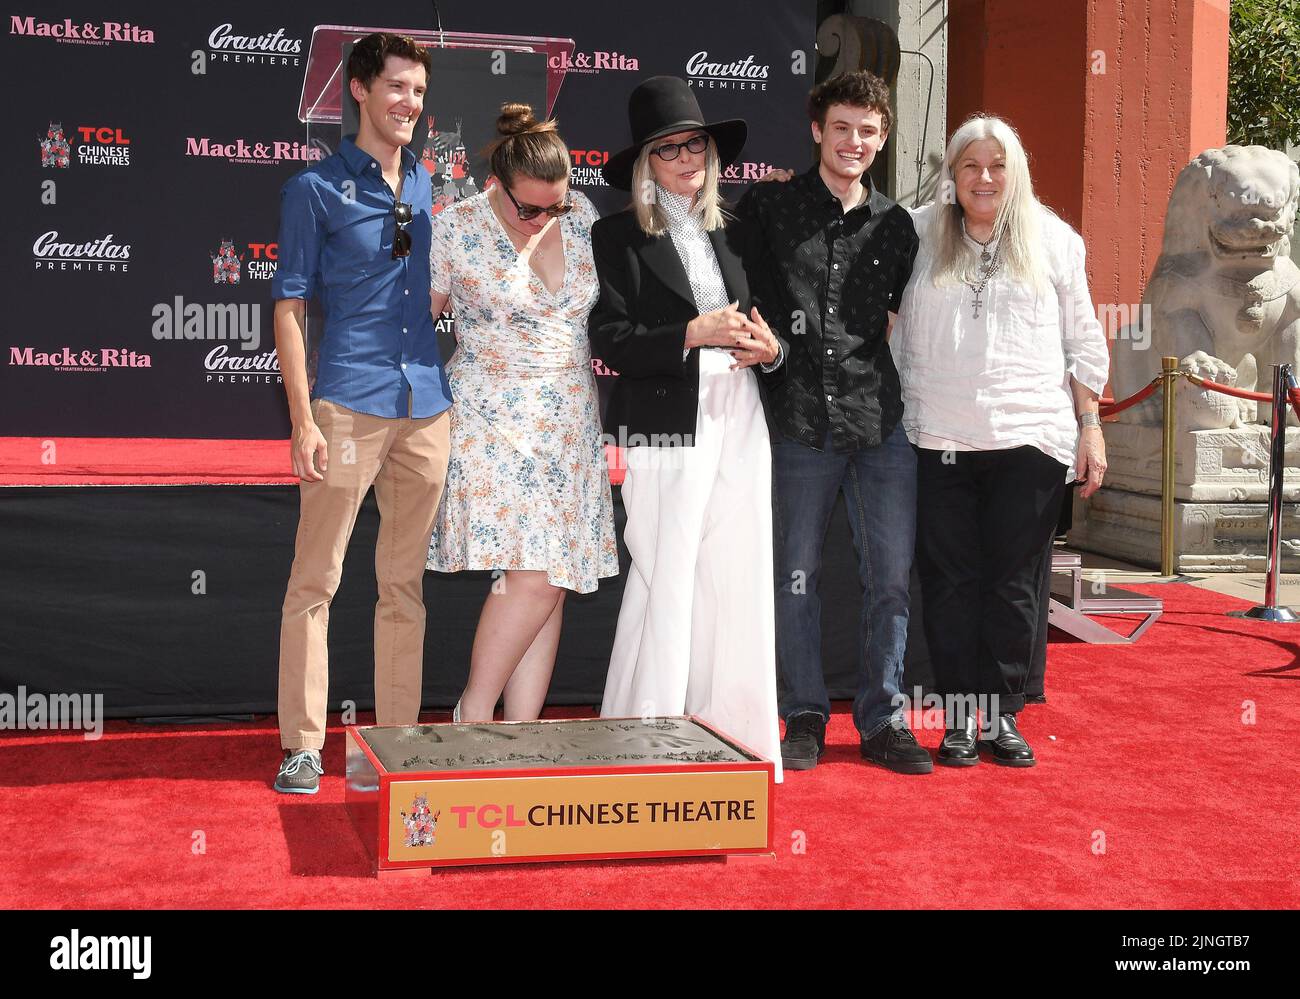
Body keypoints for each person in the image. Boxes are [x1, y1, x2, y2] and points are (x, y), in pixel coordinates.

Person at [891, 114, 1109, 767]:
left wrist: (1090, 425)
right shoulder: (919, 232)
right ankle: (959, 718)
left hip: (1029, 437)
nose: (984, 178)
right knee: (951, 581)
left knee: (1015, 584)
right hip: (938, 434)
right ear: (952, 175)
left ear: (1015, 172)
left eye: (996, 165)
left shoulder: (1055, 241)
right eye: (969, 166)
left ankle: (1001, 716)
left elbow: (1083, 337)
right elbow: (885, 324)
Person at [589, 76, 785, 779]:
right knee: (665, 569)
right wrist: (691, 332)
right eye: (667, 148)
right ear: (645, 162)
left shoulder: (734, 231)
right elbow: (610, 338)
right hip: (662, 421)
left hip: (739, 412)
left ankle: (731, 730)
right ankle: (648, 735)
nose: (684, 159)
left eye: (693, 144)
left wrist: (772, 349)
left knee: (735, 572)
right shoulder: (614, 236)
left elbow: (770, 320)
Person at [271, 34, 451, 794]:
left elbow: (434, 291)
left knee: (402, 585)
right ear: (359, 92)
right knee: (318, 579)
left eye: (417, 90)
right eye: (397, 88)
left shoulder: (428, 187)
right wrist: (303, 420)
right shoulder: (313, 189)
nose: (409, 102)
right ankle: (304, 744)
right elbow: (288, 306)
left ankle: (396, 742)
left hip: (428, 409)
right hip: (346, 405)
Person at [738, 71, 926, 774]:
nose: (855, 141)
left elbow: (913, 321)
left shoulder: (898, 225)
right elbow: (744, 297)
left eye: (869, 131)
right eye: (842, 127)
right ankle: (807, 713)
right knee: (797, 574)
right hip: (796, 422)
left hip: (879, 423)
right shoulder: (768, 207)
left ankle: (882, 718)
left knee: (890, 578)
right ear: (817, 129)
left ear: (881, 141)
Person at [426, 103, 618, 721]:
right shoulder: (456, 229)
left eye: (554, 206)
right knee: (534, 573)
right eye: (528, 207)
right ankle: (473, 718)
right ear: (496, 184)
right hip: (490, 416)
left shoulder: (584, 218)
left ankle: (522, 732)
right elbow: (416, 326)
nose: (542, 219)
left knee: (552, 576)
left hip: (569, 419)